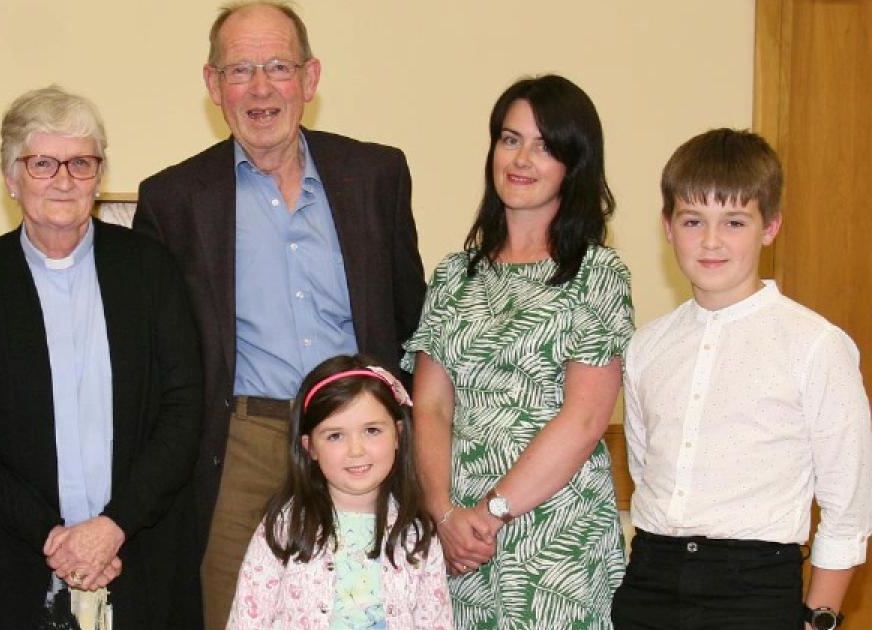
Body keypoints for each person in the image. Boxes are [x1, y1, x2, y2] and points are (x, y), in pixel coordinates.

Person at [132, 3, 426, 625]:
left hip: (361, 443)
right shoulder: (173, 200)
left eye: (278, 67)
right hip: (242, 443)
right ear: (213, 85)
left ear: (310, 78)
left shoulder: (376, 175)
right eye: (240, 70)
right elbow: (157, 362)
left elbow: (410, 320)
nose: (261, 88)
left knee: (367, 610)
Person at [0, 86, 204, 629]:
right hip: (17, 560)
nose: (63, 179)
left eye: (81, 162)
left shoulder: (150, 270)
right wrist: (51, 537)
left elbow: (184, 407)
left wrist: (113, 527)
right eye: (42, 163)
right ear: (11, 177)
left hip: (140, 551)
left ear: (99, 176)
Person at [612, 129, 872, 630]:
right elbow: (646, 471)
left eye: (734, 221)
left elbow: (847, 505)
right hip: (650, 580)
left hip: (755, 590)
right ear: (667, 227)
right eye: (693, 221)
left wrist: (818, 618)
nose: (711, 241)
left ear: (770, 227)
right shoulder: (646, 347)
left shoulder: (815, 345)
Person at [405, 74, 633, 627]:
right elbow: (431, 407)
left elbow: (584, 419)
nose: (521, 158)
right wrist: (444, 515)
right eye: (510, 139)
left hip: (556, 539)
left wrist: (491, 512)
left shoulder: (597, 273)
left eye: (544, 145)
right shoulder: (454, 276)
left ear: (573, 165)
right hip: (459, 543)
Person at [227, 354, 453, 629]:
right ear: (310, 447)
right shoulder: (286, 525)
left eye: (371, 430)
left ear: (398, 434)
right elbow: (247, 619)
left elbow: (435, 620)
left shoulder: (416, 532)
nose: (356, 450)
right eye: (335, 436)